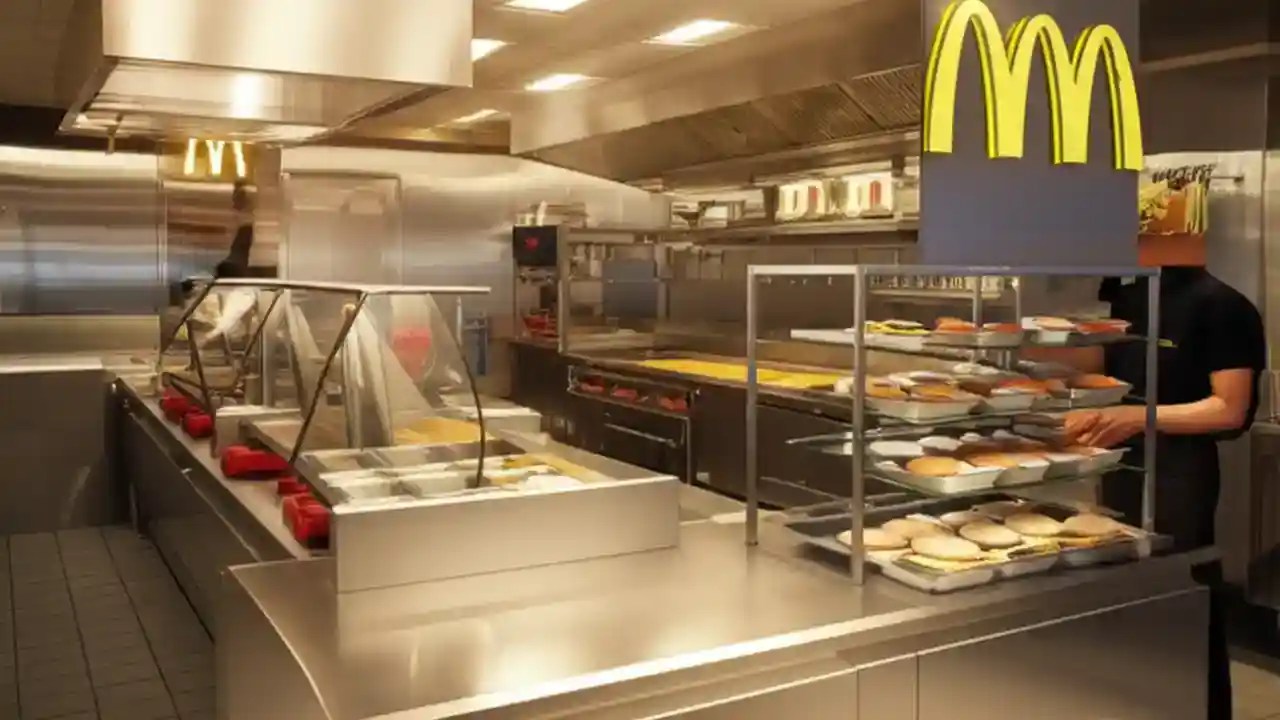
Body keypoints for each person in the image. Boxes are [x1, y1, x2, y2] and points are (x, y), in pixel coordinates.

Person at [1056, 265, 1265, 720]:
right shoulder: (1124, 293)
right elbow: (1105, 373)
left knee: (1184, 596)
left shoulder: (1221, 304)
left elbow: (1230, 409)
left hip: (1180, 472)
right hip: (1122, 464)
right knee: (1127, 598)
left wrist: (1137, 418)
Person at [215, 181, 255, 278]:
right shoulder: (241, 197)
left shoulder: (239, 196)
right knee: (242, 249)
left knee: (240, 248)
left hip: (244, 224)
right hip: (245, 224)